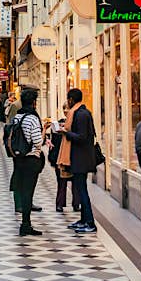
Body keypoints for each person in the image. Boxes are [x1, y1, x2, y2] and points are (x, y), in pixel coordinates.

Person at [58, 88, 97, 233]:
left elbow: (82, 137)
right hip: (80, 157)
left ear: (71, 100)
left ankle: (90, 223)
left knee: (82, 191)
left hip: (81, 159)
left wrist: (66, 133)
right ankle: (83, 220)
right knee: (81, 190)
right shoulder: (82, 112)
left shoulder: (80, 114)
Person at [10, 89, 46, 236]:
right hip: (31, 159)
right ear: (33, 103)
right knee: (28, 192)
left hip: (19, 158)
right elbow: (37, 141)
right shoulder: (32, 118)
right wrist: (44, 130)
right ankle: (26, 224)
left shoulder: (18, 116)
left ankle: (25, 223)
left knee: (24, 189)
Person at [48, 116, 77, 211]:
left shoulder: (74, 125)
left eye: (67, 108)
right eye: (64, 108)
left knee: (75, 182)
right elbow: (53, 143)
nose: (66, 110)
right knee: (61, 182)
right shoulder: (57, 125)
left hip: (72, 157)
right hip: (60, 158)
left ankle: (76, 204)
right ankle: (60, 204)